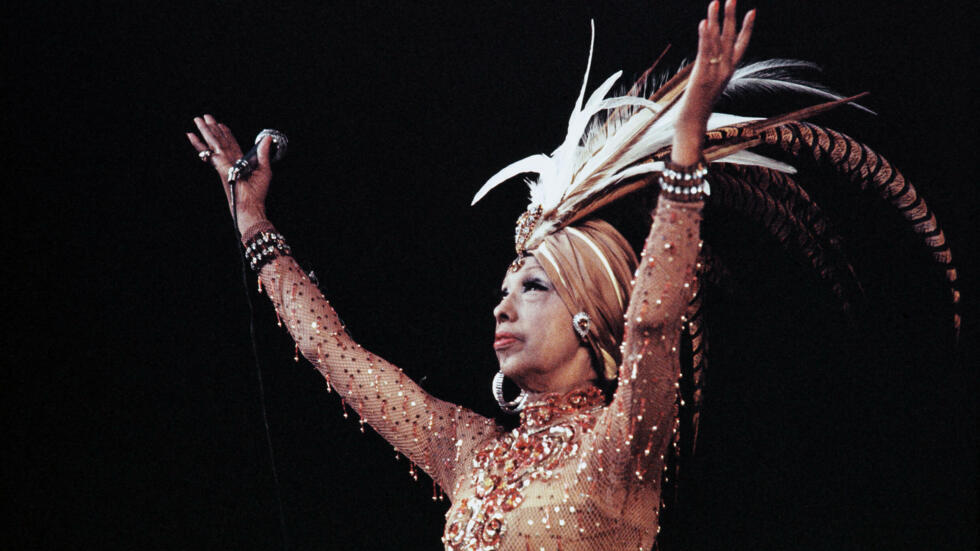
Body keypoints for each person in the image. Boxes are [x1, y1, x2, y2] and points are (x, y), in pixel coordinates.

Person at [186, 1, 957, 549]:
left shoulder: (624, 444)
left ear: (591, 318)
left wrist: (685, 150)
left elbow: (654, 321)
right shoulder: (469, 452)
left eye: (534, 286)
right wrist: (253, 220)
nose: (503, 303)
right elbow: (333, 352)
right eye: (504, 285)